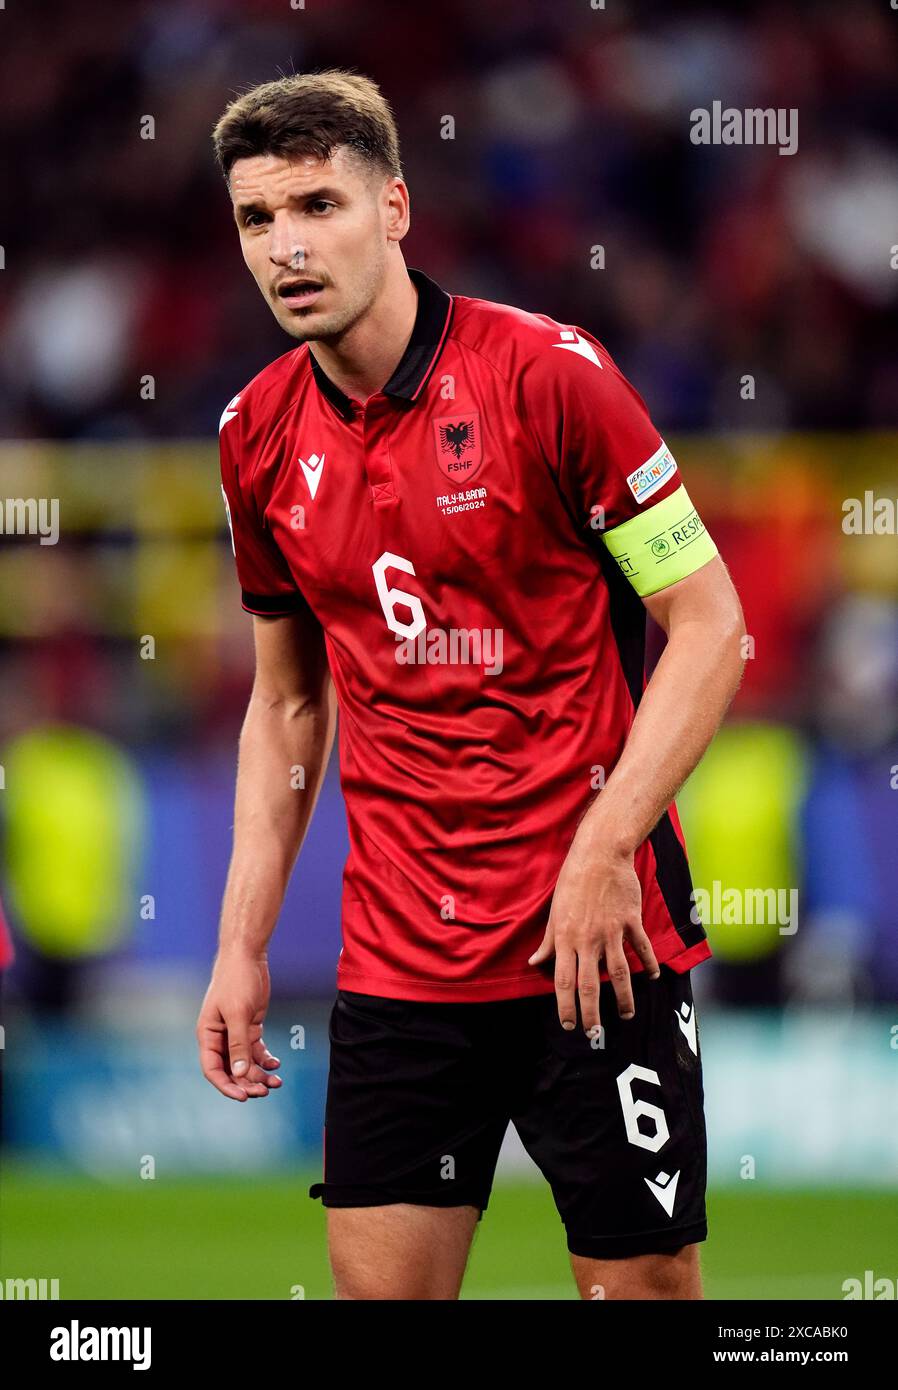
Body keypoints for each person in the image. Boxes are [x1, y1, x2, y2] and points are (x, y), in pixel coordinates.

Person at [197, 69, 745, 1301]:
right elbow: (287, 703)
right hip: (399, 958)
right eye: (255, 220)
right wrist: (240, 945)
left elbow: (709, 625)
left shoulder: (550, 377)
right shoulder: (252, 438)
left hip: (594, 939)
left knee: (642, 1291)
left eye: (318, 205)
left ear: (394, 208)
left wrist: (607, 849)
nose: (287, 245)